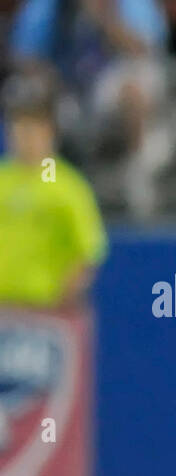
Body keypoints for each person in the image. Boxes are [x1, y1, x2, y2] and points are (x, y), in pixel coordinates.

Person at [8, 0, 169, 218]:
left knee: (134, 90)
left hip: (108, 84)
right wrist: (48, 76)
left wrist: (103, 17)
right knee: (25, 91)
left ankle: (137, 180)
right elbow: (24, 53)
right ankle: (41, 182)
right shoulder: (47, 5)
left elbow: (144, 50)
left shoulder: (132, 4)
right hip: (66, 85)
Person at [0, 71, 106, 311]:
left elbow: (88, 252)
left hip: (45, 312)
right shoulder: (3, 178)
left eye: (32, 124)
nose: (23, 133)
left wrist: (61, 299)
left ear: (50, 130)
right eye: (17, 124)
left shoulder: (64, 185)